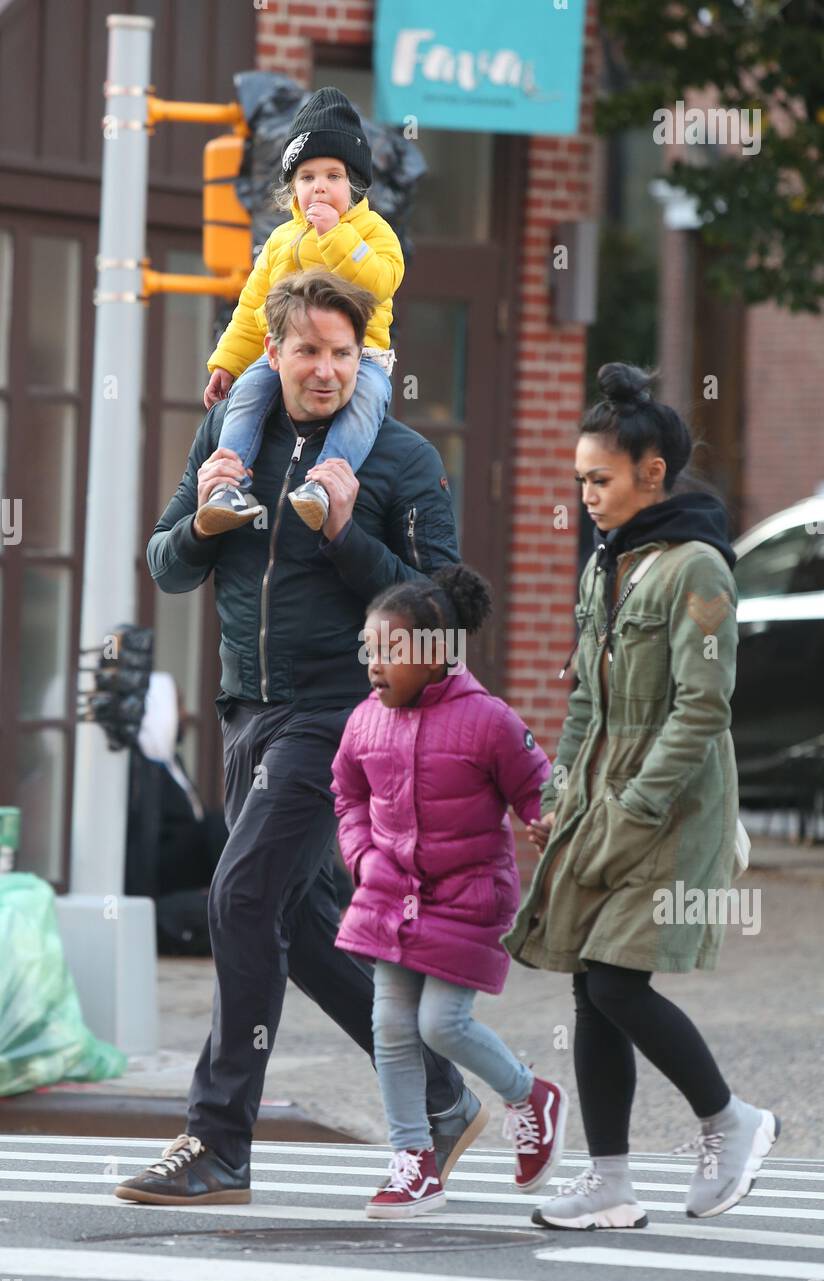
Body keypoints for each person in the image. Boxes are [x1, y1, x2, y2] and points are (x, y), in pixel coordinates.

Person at [113, 270, 481, 1207]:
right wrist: (198, 522)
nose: (324, 370)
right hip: (248, 714)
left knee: (239, 898)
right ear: (271, 353)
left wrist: (349, 531)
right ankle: (442, 1097)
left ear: (365, 360)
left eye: (342, 354)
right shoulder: (231, 437)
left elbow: (441, 613)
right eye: (307, 350)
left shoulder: (400, 460)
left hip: (342, 718)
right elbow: (165, 564)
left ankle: (218, 1141)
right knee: (303, 924)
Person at [504, 363, 781, 1231]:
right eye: (580, 479)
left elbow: (703, 708)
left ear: (652, 472)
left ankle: (732, 1122)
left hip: (675, 808)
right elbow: (586, 696)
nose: (586, 494)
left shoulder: (699, 570)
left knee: (619, 985)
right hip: (600, 801)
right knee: (591, 986)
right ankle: (612, 1184)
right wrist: (561, 793)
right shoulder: (607, 566)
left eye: (601, 478)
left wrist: (636, 807)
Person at [331, 564, 568, 1218]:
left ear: (438, 657)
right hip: (387, 898)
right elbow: (347, 794)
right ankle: (413, 1160)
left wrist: (543, 821)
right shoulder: (364, 723)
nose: (376, 666)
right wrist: (360, 854)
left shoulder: (488, 721)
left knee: (441, 1023)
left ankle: (529, 1096)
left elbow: (535, 787)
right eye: (370, 650)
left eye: (393, 652)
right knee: (390, 1025)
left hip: (468, 900)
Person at [198, 85, 402, 536]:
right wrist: (227, 363)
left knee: (365, 402)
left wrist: (337, 238)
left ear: (353, 185)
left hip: (361, 356)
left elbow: (383, 280)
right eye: (307, 177)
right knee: (249, 393)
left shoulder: (372, 230)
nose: (320, 187)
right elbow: (251, 304)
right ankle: (226, 485)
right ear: (292, 188)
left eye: (333, 175)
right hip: (285, 355)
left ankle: (325, 485)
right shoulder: (279, 240)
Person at [125, 672, 228, 956]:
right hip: (164, 880)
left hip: (192, 874)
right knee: (221, 825)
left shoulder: (173, 762)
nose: (185, 715)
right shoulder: (140, 770)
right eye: (178, 705)